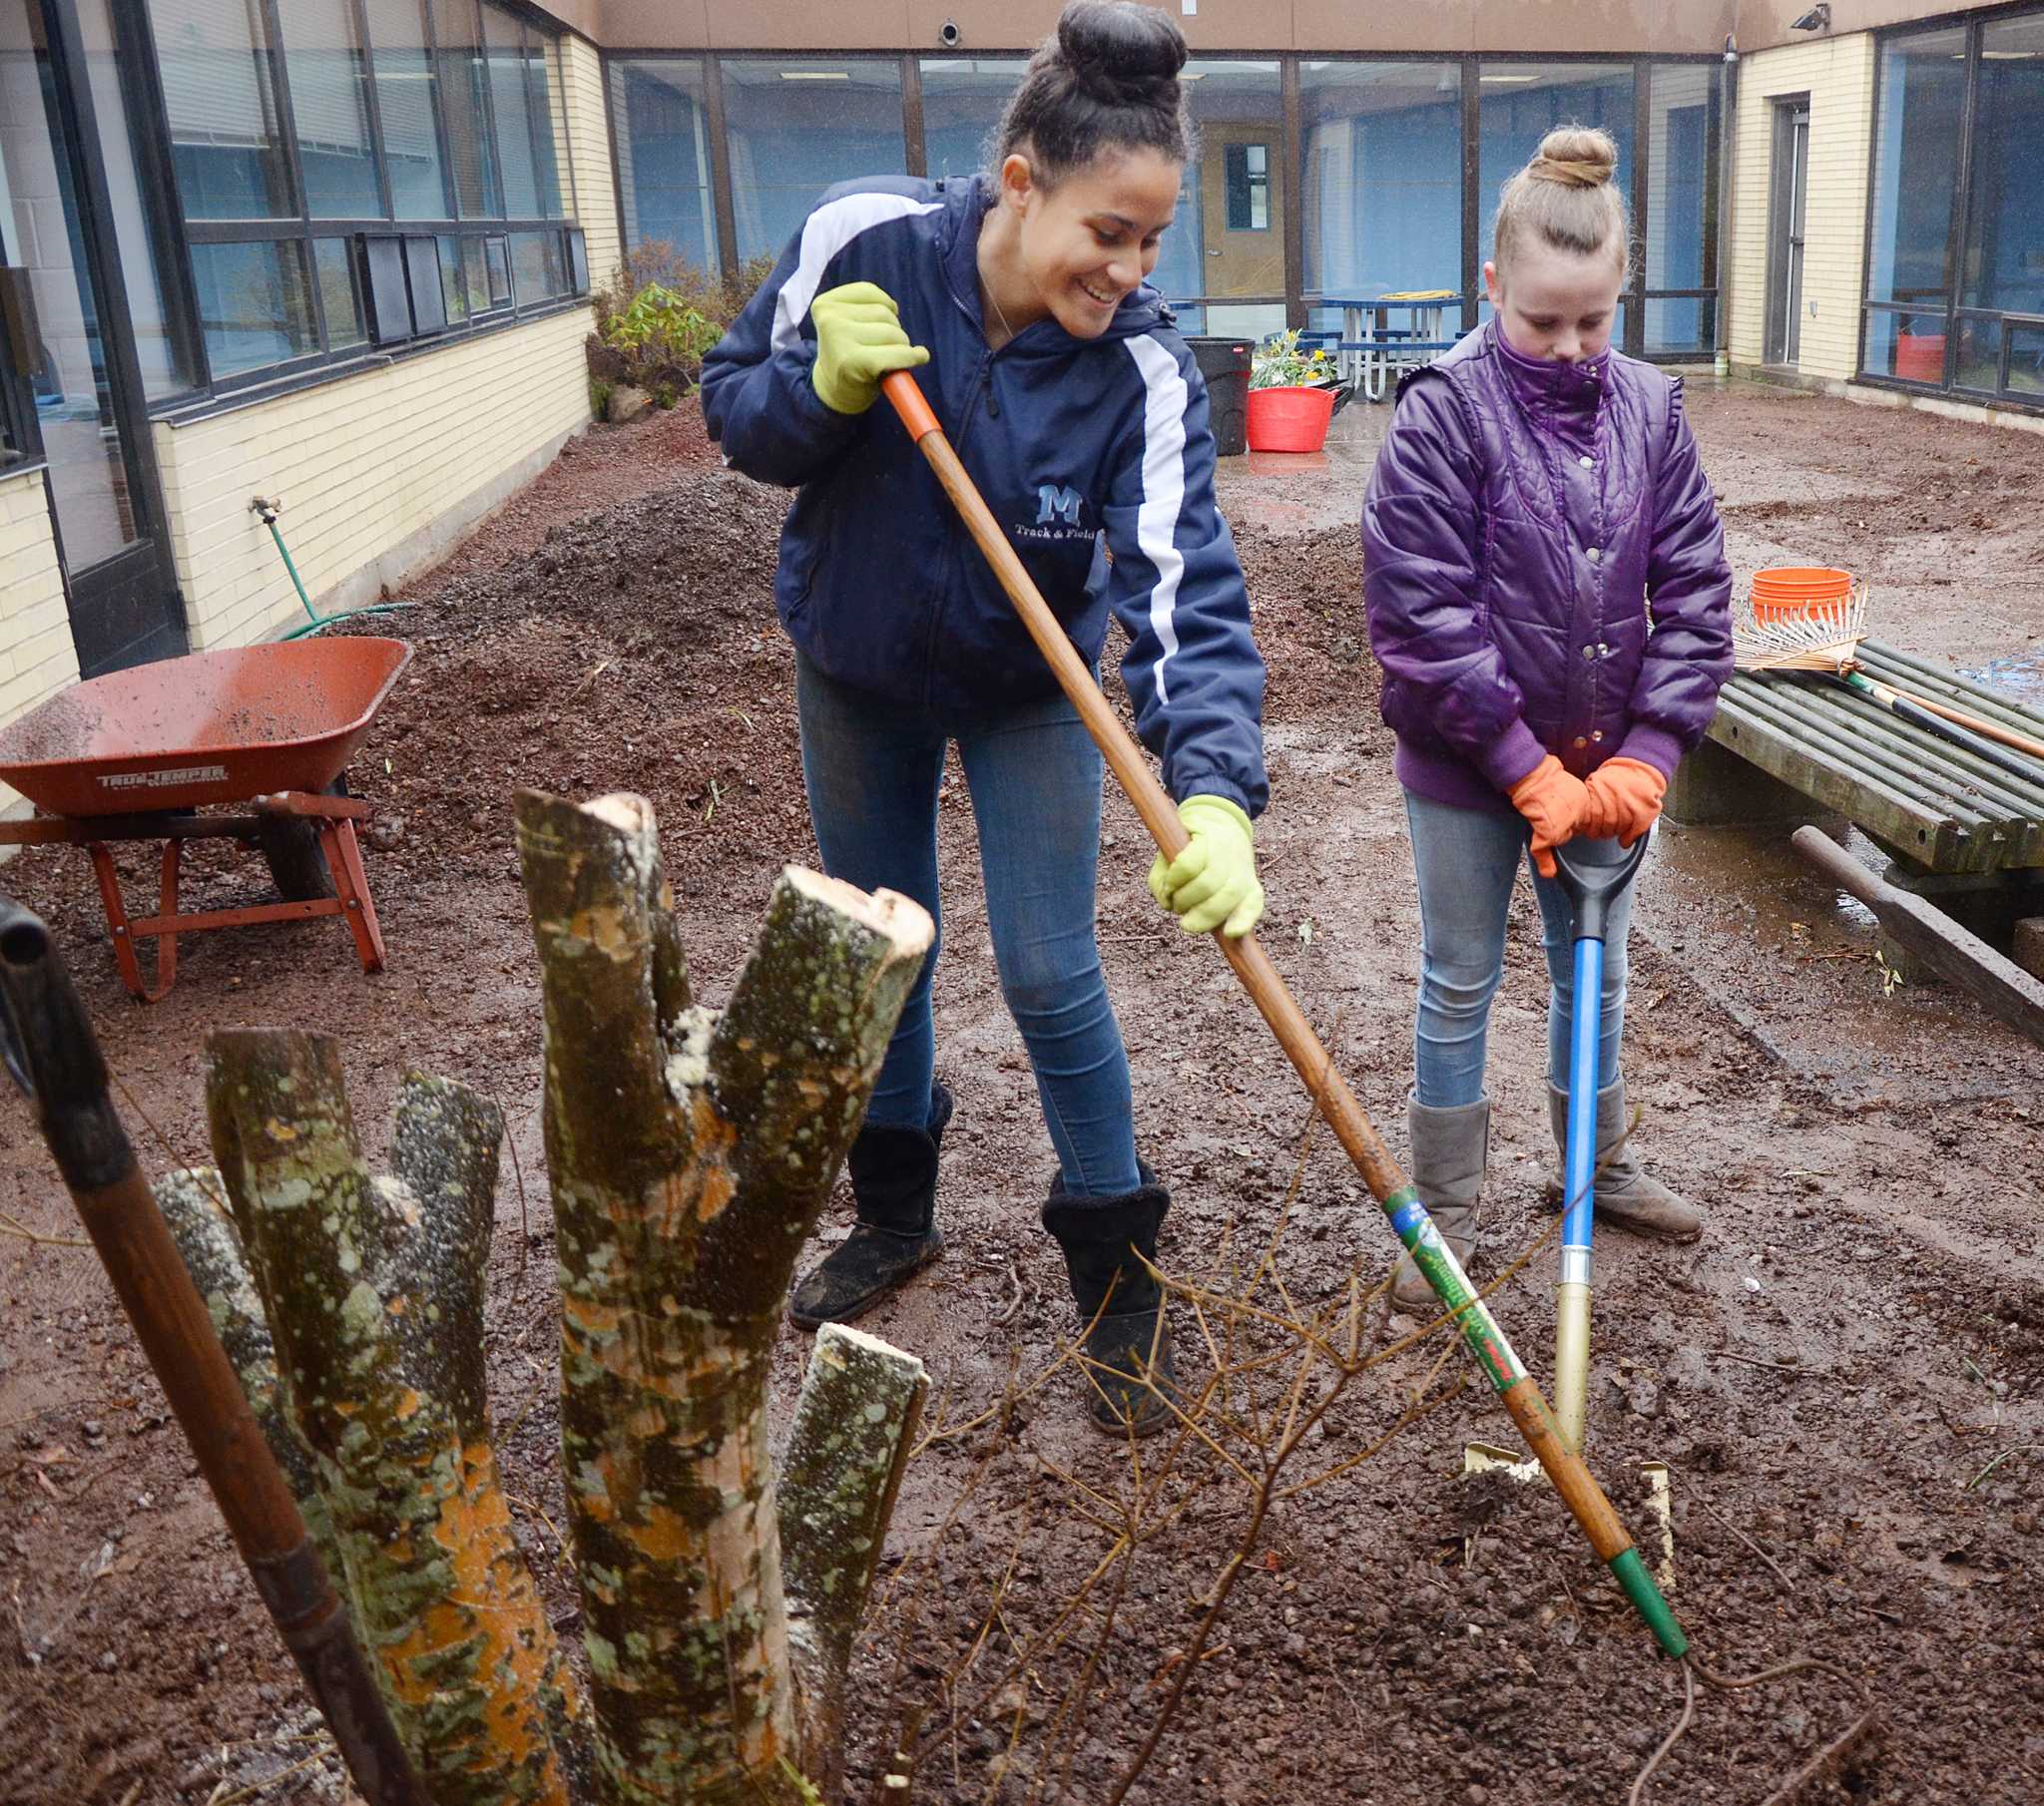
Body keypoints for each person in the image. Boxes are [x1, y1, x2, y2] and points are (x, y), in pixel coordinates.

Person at [701, 0, 1269, 1434]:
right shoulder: (864, 236)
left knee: (1047, 968)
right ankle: (894, 1213)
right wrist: (819, 387)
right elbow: (735, 406)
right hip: (859, 666)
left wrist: (1214, 789)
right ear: (1023, 180)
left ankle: (1119, 1277)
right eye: (1107, 231)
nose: (1130, 270)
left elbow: (1187, 584)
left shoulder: (1140, 366)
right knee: (886, 944)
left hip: (1033, 689)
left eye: (1154, 240)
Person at [1361, 126, 1733, 1312]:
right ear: (1491, 287)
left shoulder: (1650, 412)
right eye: (1540, 322)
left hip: (1607, 770)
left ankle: (1599, 1164)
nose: (1569, 347)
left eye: (1592, 320)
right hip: (1470, 773)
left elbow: (1694, 592)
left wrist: (1649, 753)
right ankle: (1448, 1215)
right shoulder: (1442, 417)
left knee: (1598, 977)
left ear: (1619, 288)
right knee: (1458, 976)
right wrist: (1524, 770)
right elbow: (1422, 617)